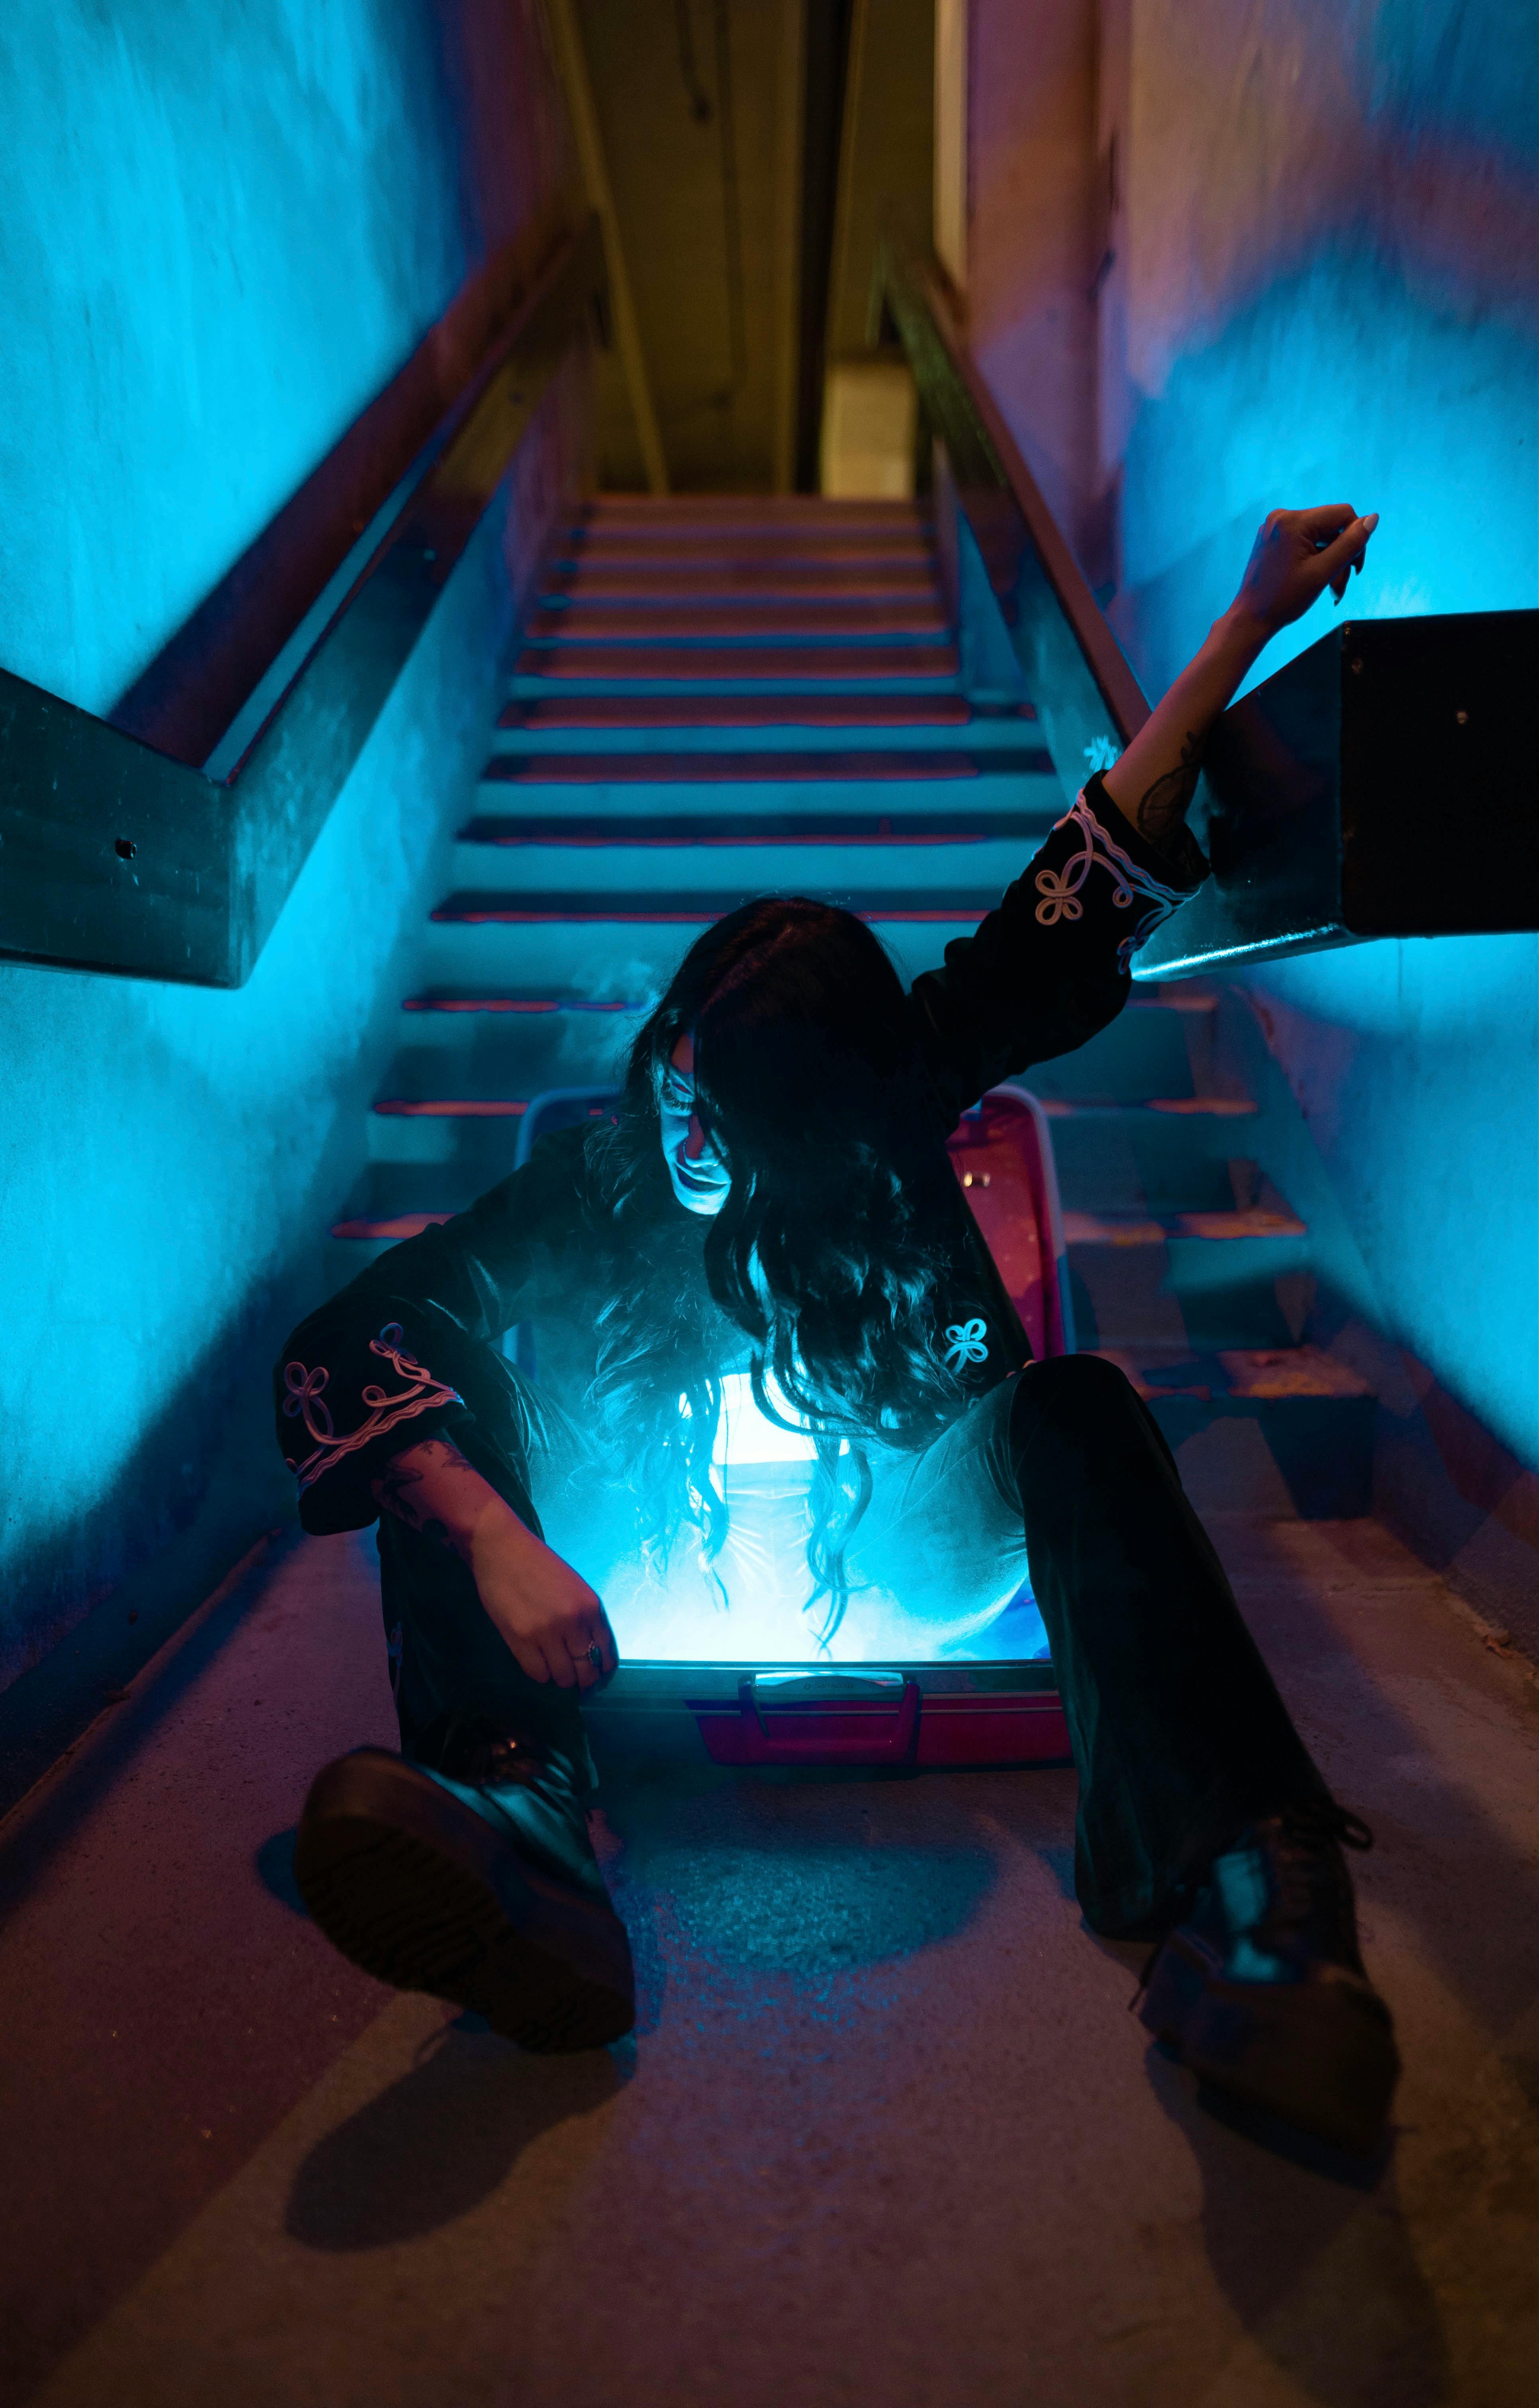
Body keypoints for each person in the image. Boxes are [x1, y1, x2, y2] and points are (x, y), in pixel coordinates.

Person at [278, 503, 1398, 2155]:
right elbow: (346, 1332)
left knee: (1078, 1405)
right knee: (437, 1390)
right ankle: (525, 1807)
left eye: (730, 1124)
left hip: (914, 1548)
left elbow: (1091, 880)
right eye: (677, 1085)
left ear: (822, 1126)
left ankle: (1246, 1883)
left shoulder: (894, 1098)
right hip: (631, 1557)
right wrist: (484, 1534)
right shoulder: (604, 1183)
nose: (688, 1145)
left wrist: (1242, 622)